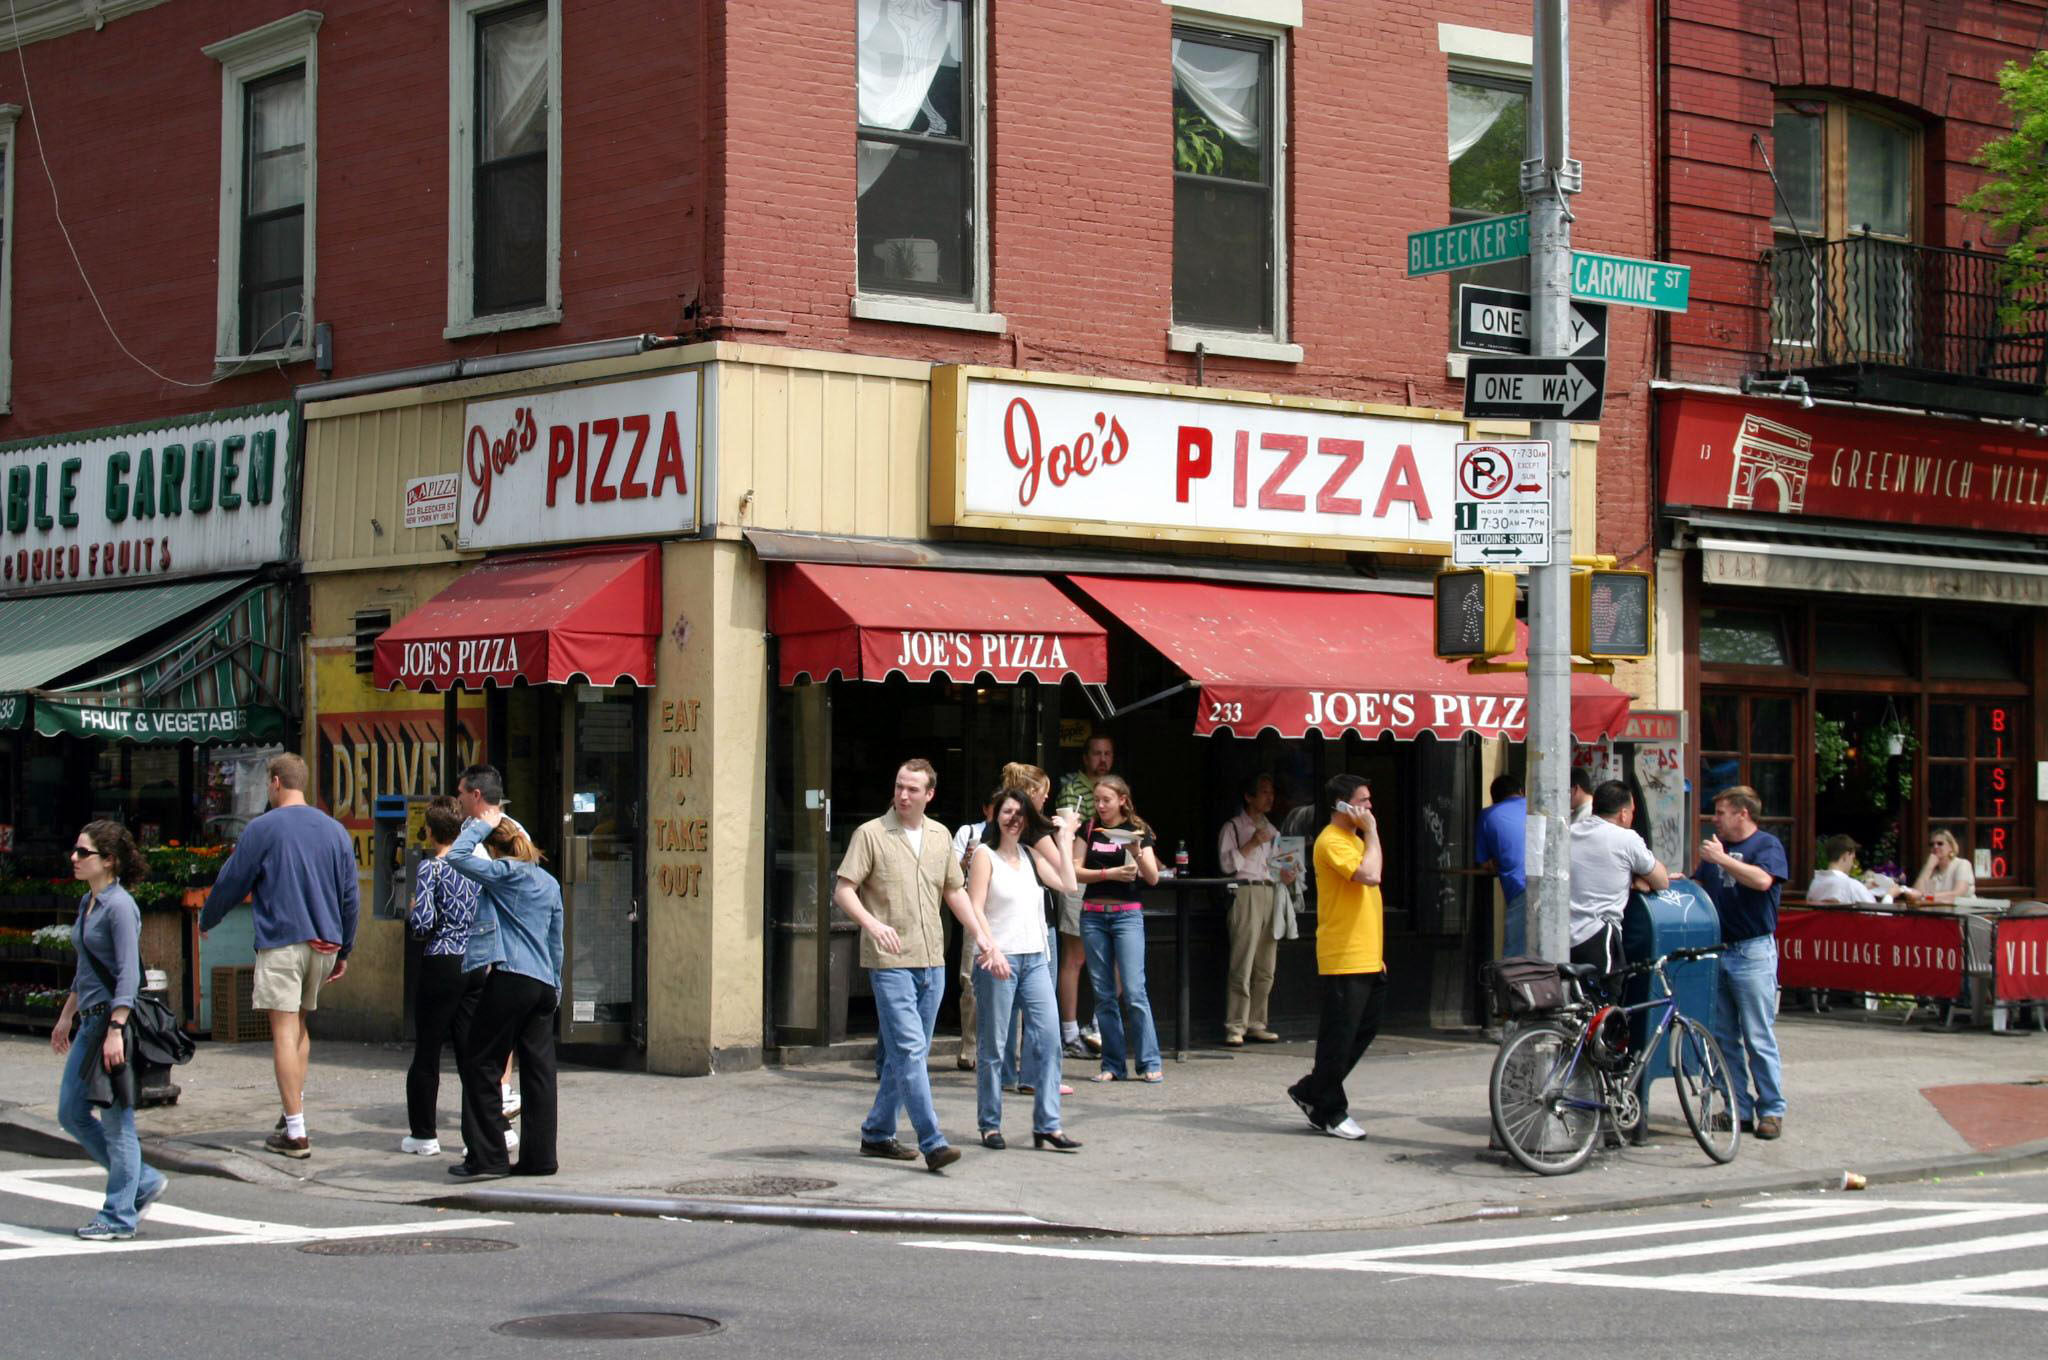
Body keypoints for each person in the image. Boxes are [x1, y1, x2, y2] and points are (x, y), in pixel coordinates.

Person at [834, 759, 1006, 1173]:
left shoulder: (939, 835)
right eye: (899, 787)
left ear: (929, 794)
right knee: (911, 1052)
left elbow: (955, 891)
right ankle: (932, 1141)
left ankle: (877, 1133)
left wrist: (983, 937)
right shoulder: (871, 834)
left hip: (932, 961)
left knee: (904, 1054)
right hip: (891, 962)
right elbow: (844, 889)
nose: (903, 795)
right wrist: (872, 924)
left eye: (913, 789)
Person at [199, 753, 359, 1160]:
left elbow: (233, 878)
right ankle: (293, 1110)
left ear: (274, 783)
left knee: (284, 1032)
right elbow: (349, 895)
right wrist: (345, 949)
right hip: (325, 943)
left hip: (283, 940)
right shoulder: (336, 830)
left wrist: (209, 918)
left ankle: (295, 1129)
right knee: (300, 1026)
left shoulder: (263, 829)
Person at [49, 821, 169, 1241]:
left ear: (109, 861)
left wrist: (116, 1028)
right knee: (70, 1111)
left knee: (118, 1122)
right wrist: (67, 1015)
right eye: (76, 851)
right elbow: (87, 971)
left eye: (84, 853)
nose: (75, 858)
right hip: (90, 1021)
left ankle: (119, 1215)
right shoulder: (90, 902)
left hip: (112, 1023)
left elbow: (127, 974)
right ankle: (143, 1181)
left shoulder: (119, 906)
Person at [445, 805, 564, 1178]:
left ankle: (487, 1158)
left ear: (495, 848)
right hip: (544, 983)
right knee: (539, 1073)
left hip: (512, 975)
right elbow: (555, 941)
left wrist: (481, 825)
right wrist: (556, 986)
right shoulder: (548, 882)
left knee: (480, 1064)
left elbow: (458, 857)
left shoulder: (505, 873)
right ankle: (540, 1158)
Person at [966, 787, 1082, 1151]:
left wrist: (1064, 840)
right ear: (995, 816)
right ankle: (990, 1124)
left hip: (1035, 959)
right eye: (1007, 812)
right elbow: (974, 908)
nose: (1014, 819)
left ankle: (1048, 1124)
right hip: (998, 959)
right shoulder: (984, 855)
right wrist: (990, 949)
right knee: (995, 1046)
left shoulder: (1031, 855)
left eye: (1020, 813)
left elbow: (1069, 883)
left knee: (1049, 1042)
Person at [1286, 775, 1386, 1141]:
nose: (1369, 809)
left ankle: (1312, 1090)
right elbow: (1371, 876)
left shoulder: (1355, 840)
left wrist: (1377, 954)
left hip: (1367, 954)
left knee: (1363, 1030)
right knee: (1338, 1037)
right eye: (1364, 801)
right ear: (1342, 805)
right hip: (1344, 955)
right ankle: (1329, 1109)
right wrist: (1372, 834)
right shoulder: (1331, 842)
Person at [1694, 785, 1788, 1142]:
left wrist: (1724, 860)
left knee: (1757, 1034)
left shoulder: (1765, 845)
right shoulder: (1717, 850)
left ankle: (1772, 1110)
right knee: (1723, 1036)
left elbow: (1763, 880)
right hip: (1720, 947)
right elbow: (1700, 883)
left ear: (1742, 813)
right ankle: (1737, 1108)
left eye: (1720, 813)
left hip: (1752, 951)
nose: (1714, 819)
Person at [402, 796, 486, 1157]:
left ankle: (424, 1134)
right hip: (475, 961)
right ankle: (475, 1138)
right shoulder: (475, 866)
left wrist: (413, 910)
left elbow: (422, 924)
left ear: (431, 831)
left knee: (428, 1051)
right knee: (472, 1054)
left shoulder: (431, 868)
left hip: (442, 960)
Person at [1075, 774, 1163, 1083]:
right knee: (1103, 994)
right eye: (1097, 800)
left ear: (1122, 800)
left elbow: (1152, 878)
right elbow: (1074, 870)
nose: (1100, 805)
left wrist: (1138, 850)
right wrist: (1109, 873)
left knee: (1135, 990)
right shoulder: (1089, 829)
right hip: (1094, 914)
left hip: (1127, 915)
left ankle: (1149, 1061)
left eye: (1106, 800)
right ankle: (1112, 1065)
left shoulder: (1137, 830)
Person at [997, 761, 1073, 1099]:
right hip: (1035, 927)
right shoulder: (1037, 833)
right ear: (1032, 794)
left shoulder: (1004, 830)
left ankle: (1006, 1075)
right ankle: (1033, 1074)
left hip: (1009, 928)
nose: (1046, 799)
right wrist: (1067, 835)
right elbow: (1064, 872)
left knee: (1007, 1008)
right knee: (1039, 1007)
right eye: (1043, 793)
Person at [456, 765, 521, 1125]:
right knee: (498, 1030)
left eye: (463, 792)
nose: (459, 798)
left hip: (494, 943)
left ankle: (497, 1109)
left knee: (486, 1038)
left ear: (476, 795)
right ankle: (504, 1094)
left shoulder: (487, 833)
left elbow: (459, 861)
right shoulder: (509, 829)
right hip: (502, 943)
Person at [1567, 781, 1669, 998]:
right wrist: (1637, 877)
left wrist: (1630, 876)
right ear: (1623, 814)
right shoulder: (1626, 839)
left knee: (1570, 1004)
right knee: (1602, 1005)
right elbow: (1661, 880)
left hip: (1562, 936)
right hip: (1597, 934)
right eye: (1632, 812)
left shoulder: (1569, 832)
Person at [1217, 773, 1292, 1045]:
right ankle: (1235, 1025)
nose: (1269, 797)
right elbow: (1227, 866)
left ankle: (1258, 1022)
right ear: (1249, 797)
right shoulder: (1233, 828)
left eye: (1271, 792)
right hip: (1245, 892)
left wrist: (1288, 873)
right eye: (1263, 792)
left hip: (1270, 891)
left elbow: (1280, 867)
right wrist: (1252, 843)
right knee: (1242, 961)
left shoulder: (1274, 830)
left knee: (1266, 965)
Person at [1054, 732, 1116, 1057]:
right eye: (1096, 753)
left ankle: (1095, 1027)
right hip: (1078, 874)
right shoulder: (1072, 788)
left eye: (1107, 753)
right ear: (1085, 757)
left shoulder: (1116, 787)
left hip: (1110, 881)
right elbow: (1069, 830)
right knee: (1074, 957)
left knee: (1112, 957)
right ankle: (1069, 1033)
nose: (1102, 759)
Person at [950, 788, 999, 1070]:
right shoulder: (968, 832)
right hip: (973, 907)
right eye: (997, 808)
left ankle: (1003, 1050)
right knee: (970, 977)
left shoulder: (1014, 836)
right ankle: (969, 1046)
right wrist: (967, 859)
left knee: (1008, 979)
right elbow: (951, 876)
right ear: (986, 809)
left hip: (1003, 910)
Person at [1475, 773, 1529, 958]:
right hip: (1553, 887)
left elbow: (1484, 863)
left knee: (1514, 956)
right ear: (1521, 792)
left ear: (1494, 799)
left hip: (1519, 888)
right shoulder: (1535, 807)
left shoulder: (1487, 815)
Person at [1906, 829, 1976, 906]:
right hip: (1939, 912)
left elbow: (1958, 893)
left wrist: (1925, 896)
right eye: (1931, 844)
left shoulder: (1962, 864)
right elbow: (1915, 894)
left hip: (1964, 913)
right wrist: (1928, 867)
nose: (1935, 846)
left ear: (1951, 847)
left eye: (1940, 843)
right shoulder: (1932, 869)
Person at [1807, 834, 1878, 905]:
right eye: (1853, 859)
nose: (1852, 864)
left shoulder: (1815, 882)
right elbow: (1878, 913)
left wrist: (1863, 888)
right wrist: (1889, 894)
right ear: (1846, 856)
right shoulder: (1850, 885)